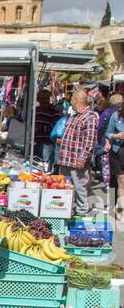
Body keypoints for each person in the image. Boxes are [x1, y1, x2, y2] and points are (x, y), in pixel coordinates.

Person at [59, 87, 98, 216]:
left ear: (77, 100)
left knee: (80, 186)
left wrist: (82, 159)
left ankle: (82, 212)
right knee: (66, 186)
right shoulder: (75, 116)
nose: (70, 102)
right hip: (66, 158)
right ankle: (67, 210)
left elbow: (90, 141)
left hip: (76, 160)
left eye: (71, 100)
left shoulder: (90, 116)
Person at [104, 94, 124, 219]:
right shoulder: (116, 116)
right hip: (118, 152)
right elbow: (107, 132)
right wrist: (116, 136)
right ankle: (120, 211)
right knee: (121, 183)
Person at [33, 88, 60, 169]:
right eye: (41, 98)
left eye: (45, 98)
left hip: (46, 144)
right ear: (38, 99)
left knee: (44, 166)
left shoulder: (54, 111)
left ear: (49, 99)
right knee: (34, 165)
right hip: (34, 142)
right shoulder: (35, 110)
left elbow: (54, 128)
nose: (43, 101)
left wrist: (40, 128)